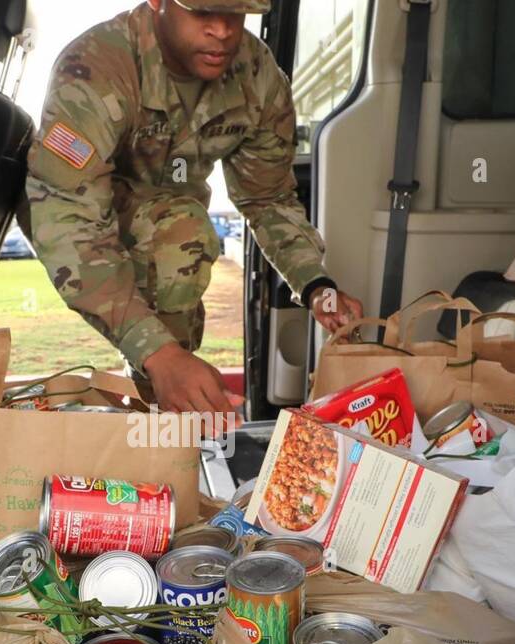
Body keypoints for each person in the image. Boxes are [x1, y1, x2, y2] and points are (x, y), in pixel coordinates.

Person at [21, 0, 364, 417]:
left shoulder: (257, 76)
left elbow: (268, 198)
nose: (221, 30)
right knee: (180, 233)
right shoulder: (97, 68)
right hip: (86, 212)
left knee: (181, 230)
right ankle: (163, 402)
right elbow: (68, 217)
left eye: (236, 14)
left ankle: (167, 415)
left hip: (171, 216)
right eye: (202, 12)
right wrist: (158, 353)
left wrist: (315, 284)